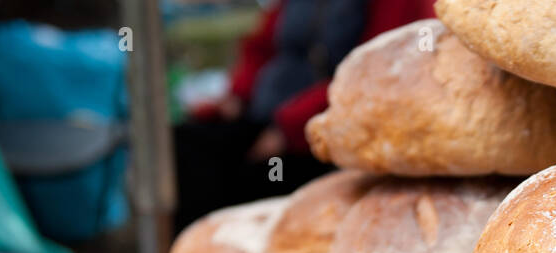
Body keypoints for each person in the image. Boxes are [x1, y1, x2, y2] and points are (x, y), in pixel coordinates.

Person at [173, 0, 435, 229]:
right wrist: (238, 95)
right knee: (183, 146)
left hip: (319, 129)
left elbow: (377, 72)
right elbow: (262, 46)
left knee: (248, 175)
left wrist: (288, 128)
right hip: (263, 114)